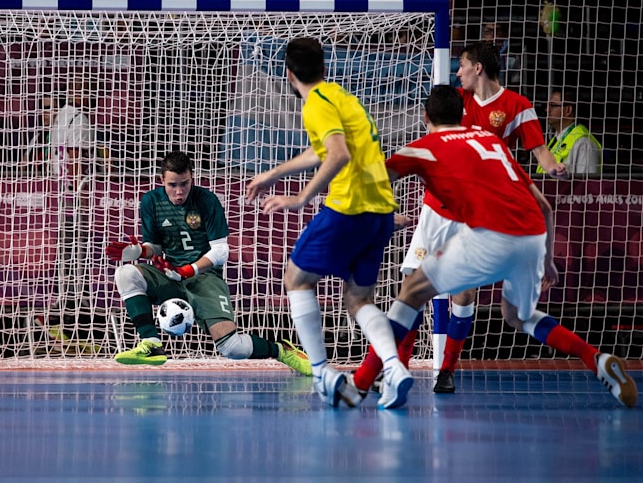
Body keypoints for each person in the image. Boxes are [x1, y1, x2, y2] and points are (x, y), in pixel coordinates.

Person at [353, 85, 637, 409]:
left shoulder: (426, 145)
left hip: (487, 233)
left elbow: (373, 181)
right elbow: (545, 206)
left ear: (425, 116)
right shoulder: (490, 140)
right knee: (518, 316)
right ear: (463, 114)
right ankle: (596, 358)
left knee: (412, 292)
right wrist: (547, 260)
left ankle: (364, 381)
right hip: (530, 237)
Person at [354, 40, 570, 396]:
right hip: (436, 210)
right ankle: (397, 371)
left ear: (478, 68)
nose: (458, 71)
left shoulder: (517, 106)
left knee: (464, 295)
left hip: (476, 213)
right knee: (411, 287)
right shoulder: (455, 100)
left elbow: (541, 153)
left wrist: (554, 169)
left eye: (463, 65)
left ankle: (446, 371)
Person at [245, 37, 411, 409]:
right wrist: (274, 172)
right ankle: (395, 368)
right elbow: (321, 150)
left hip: (348, 206)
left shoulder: (315, 105)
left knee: (296, 278)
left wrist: (300, 197)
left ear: (288, 75)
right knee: (357, 297)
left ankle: (321, 372)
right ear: (324, 68)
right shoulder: (341, 96)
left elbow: (337, 154)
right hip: (380, 208)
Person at [106, 150, 312, 377]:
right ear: (162, 180)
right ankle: (151, 344)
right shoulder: (151, 201)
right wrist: (136, 251)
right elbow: (153, 247)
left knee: (232, 347)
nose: (179, 191)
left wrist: (190, 269)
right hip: (170, 276)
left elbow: (221, 250)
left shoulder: (206, 201)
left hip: (204, 279)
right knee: (126, 274)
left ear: (191, 178)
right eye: (172, 185)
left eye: (184, 184)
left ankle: (282, 350)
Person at [537, 88, 602, 176]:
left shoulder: (584, 143)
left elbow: (586, 185)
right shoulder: (555, 141)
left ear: (568, 110)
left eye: (553, 105)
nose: (547, 110)